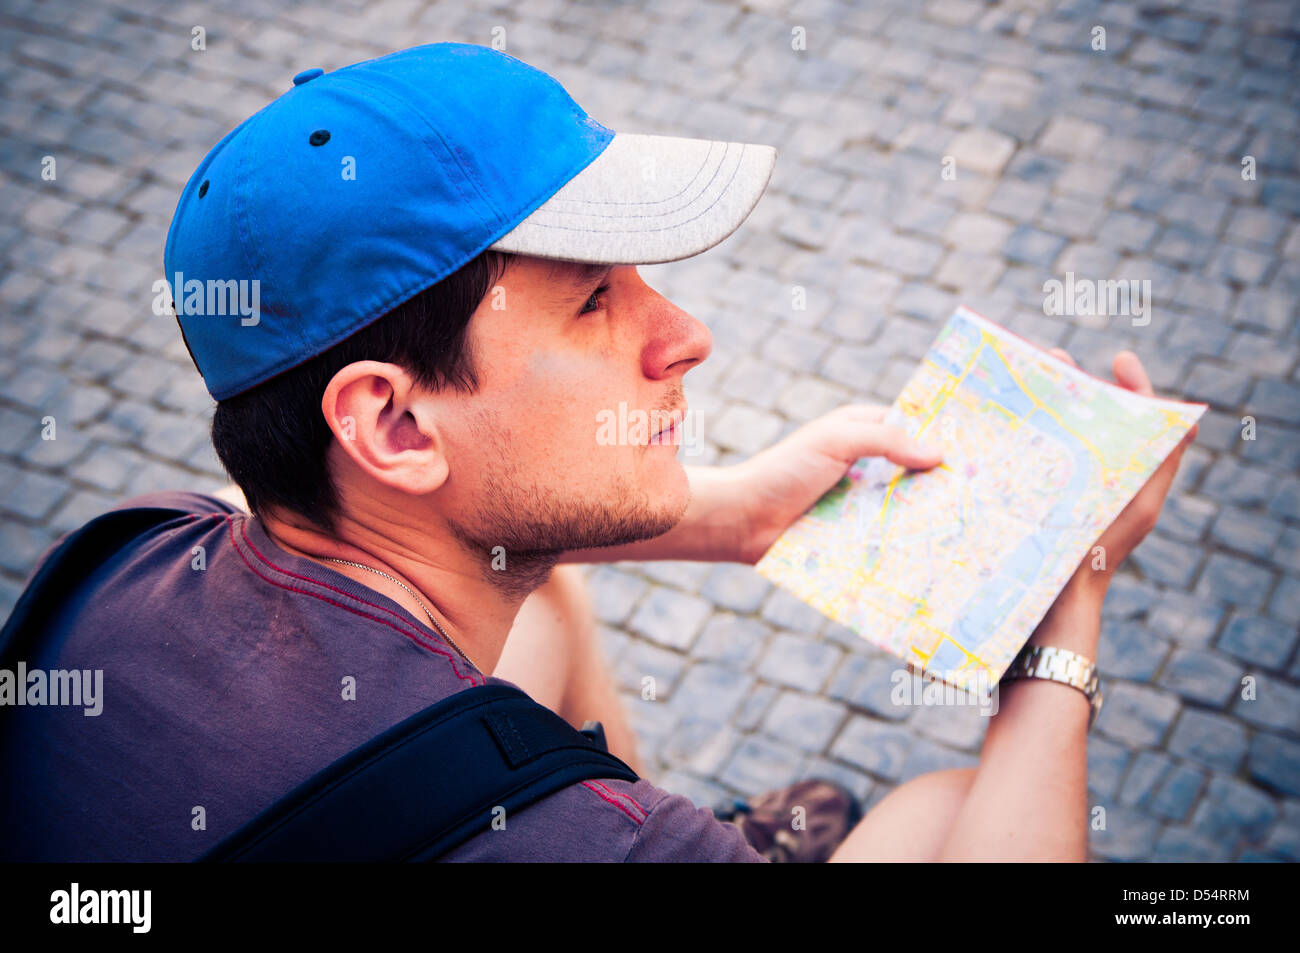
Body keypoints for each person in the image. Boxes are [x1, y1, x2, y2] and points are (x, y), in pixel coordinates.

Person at [0, 42, 1195, 862]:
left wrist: (742, 516)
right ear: (393, 423)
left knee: (545, 592)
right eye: (591, 302)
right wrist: (1064, 601)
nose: (685, 336)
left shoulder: (126, 554)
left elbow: (257, 501)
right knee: (942, 815)